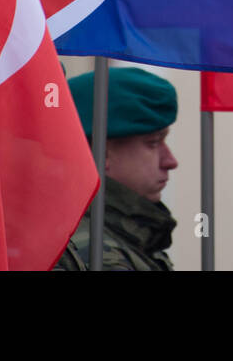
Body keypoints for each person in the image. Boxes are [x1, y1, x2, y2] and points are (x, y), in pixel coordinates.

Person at [56, 67, 179, 271]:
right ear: (101, 154)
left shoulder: (136, 237)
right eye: (153, 143)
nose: (170, 161)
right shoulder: (90, 251)